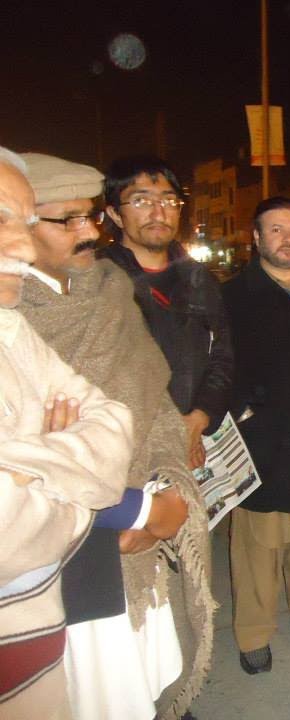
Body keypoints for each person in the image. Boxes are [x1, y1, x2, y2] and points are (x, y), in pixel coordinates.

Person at [18, 152, 214, 720]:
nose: (88, 232)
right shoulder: (13, 311)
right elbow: (32, 451)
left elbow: (150, 393)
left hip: (144, 501)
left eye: (90, 217)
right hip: (67, 536)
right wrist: (128, 514)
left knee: (141, 667)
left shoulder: (108, 288)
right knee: (87, 685)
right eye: (67, 220)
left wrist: (162, 491)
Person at [0, 147, 134, 720]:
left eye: (28, 223)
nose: (24, 245)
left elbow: (118, 418)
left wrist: (31, 463)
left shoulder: (12, 325)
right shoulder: (24, 307)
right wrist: (103, 496)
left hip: (34, 639)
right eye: (66, 218)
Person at [222, 196, 290, 675]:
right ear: (256, 237)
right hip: (261, 435)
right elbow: (214, 364)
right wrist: (240, 409)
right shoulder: (232, 296)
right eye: (275, 230)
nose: (286, 238)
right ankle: (253, 632)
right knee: (257, 543)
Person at [99, 155, 233, 469]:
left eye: (169, 201)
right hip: (123, 453)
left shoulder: (199, 279)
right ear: (115, 215)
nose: (159, 212)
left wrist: (198, 418)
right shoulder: (98, 280)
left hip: (193, 444)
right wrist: (168, 430)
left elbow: (223, 356)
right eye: (141, 200)